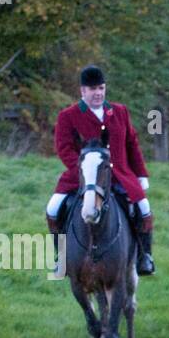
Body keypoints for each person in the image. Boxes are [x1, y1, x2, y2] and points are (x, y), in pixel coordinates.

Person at [45, 65, 156, 276]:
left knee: (144, 207)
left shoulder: (119, 111)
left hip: (120, 176)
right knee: (52, 208)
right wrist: (82, 170)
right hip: (82, 177)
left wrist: (140, 173)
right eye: (93, 89)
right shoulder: (68, 115)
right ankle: (61, 257)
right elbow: (63, 148)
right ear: (82, 91)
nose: (98, 93)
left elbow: (132, 143)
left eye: (101, 88)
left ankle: (145, 256)